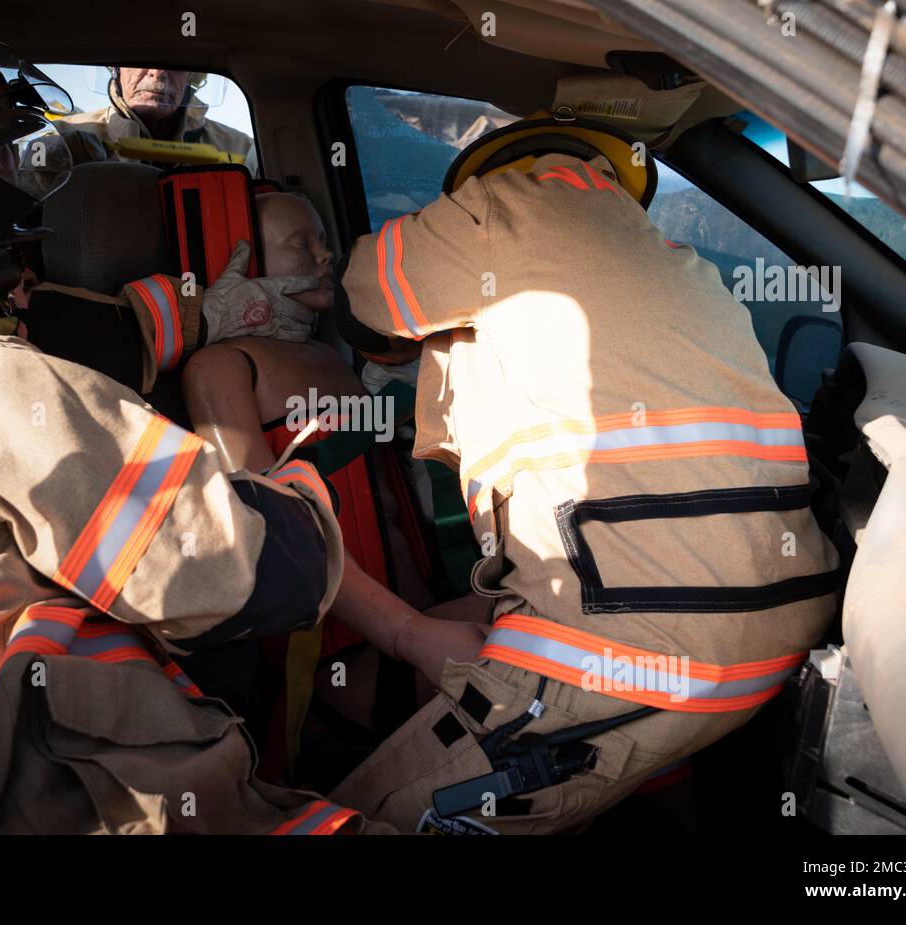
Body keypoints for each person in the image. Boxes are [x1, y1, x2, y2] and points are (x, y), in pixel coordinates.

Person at [0, 47, 389, 834]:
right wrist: (310, 477)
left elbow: (82, 321)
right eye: (5, 264)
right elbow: (231, 565)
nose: (22, 282)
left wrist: (202, 318)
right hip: (89, 799)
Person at [326, 117, 842, 834]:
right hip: (789, 628)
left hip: (635, 651)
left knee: (359, 816)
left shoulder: (493, 208)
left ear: (486, 176)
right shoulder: (687, 266)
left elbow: (359, 303)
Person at [181, 194, 490, 778]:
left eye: (324, 240)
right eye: (302, 243)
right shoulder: (223, 368)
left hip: (421, 616)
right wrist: (413, 636)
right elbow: (273, 540)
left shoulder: (335, 358)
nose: (326, 256)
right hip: (348, 663)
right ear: (241, 261)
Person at [59, 67, 257, 172]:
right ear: (116, 68)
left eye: (175, 62)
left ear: (191, 75)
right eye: (141, 58)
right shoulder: (63, 135)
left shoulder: (244, 150)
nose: (159, 73)